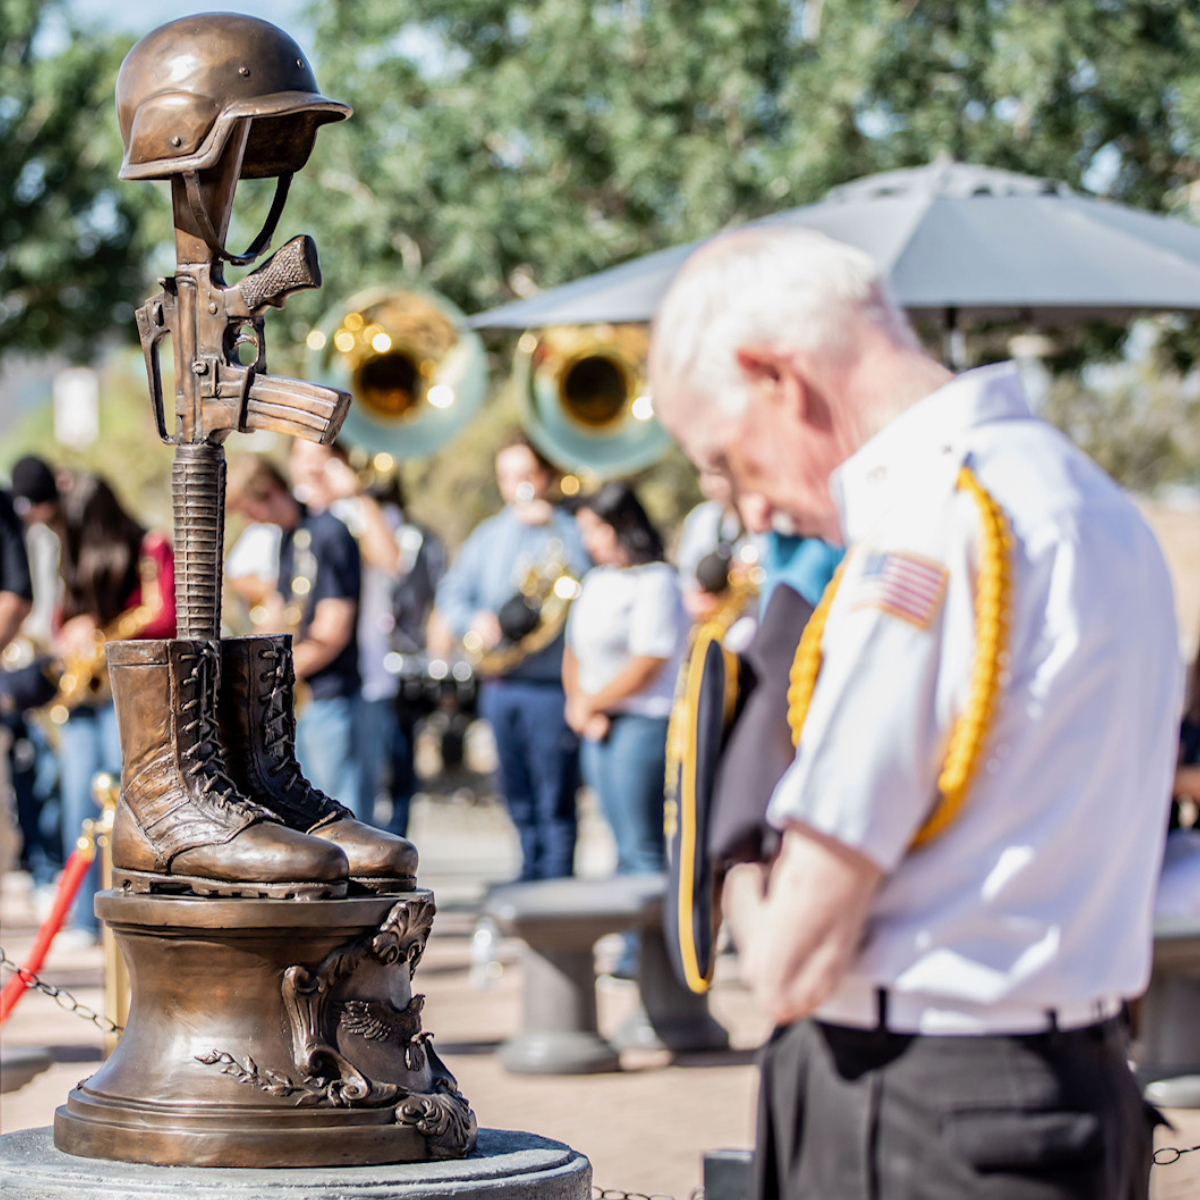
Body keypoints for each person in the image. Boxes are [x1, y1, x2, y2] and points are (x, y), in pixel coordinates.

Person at [650, 227, 1182, 1200]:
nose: (751, 511)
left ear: (777, 377)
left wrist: (739, 866)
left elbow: (794, 961)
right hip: (1073, 1077)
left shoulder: (934, 530)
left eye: (729, 459)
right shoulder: (1093, 502)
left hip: (919, 1101)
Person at [432, 435, 589, 881]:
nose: (517, 486)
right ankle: (528, 885)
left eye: (526, 475)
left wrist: (556, 529)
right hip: (501, 684)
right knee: (517, 797)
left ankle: (555, 895)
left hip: (551, 686)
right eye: (507, 477)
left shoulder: (571, 530)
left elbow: (589, 585)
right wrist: (473, 620)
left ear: (546, 477)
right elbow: (452, 594)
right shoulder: (489, 535)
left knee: (554, 803)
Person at [290, 440, 445, 835]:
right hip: (310, 687)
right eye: (302, 457)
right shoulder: (299, 519)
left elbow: (392, 560)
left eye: (320, 457)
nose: (311, 468)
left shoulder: (363, 511)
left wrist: (358, 495)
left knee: (352, 820)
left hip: (365, 682)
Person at [54, 475, 176, 939]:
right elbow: (63, 616)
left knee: (124, 798)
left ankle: (126, 914)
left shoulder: (149, 547)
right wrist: (69, 633)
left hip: (129, 690)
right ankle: (83, 917)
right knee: (77, 802)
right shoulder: (75, 551)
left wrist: (104, 635)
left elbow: (167, 615)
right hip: (86, 692)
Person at [225, 454, 363, 813]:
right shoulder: (289, 537)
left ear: (270, 490)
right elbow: (279, 608)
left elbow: (333, 631)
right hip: (302, 700)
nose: (249, 520)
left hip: (329, 698)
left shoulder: (329, 533)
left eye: (249, 509)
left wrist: (269, 677)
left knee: (341, 818)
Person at [5, 456, 64, 895]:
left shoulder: (51, 536)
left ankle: (51, 867)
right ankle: (39, 864)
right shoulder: (16, 528)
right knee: (26, 769)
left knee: (48, 770)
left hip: (47, 662)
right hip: (18, 661)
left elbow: (31, 600)